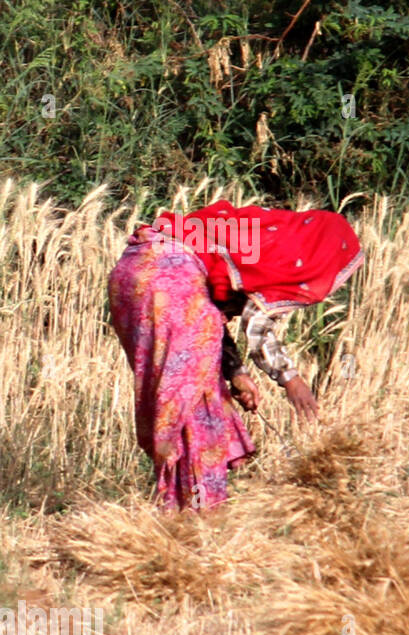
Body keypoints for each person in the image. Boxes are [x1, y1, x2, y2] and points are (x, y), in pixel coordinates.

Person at [107, 201, 363, 509]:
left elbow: (205, 307)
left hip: (132, 274)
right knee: (198, 410)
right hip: (170, 285)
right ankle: (198, 519)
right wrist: (290, 379)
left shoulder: (254, 231)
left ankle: (182, 511)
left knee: (188, 397)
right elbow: (256, 323)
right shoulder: (285, 252)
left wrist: (237, 374)